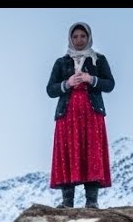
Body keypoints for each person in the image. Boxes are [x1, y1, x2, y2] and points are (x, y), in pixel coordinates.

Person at [46, 21, 115, 209]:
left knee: (91, 152)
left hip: (91, 114)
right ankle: (67, 201)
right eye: (75, 37)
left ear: (89, 38)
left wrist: (91, 79)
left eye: (82, 36)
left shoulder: (98, 60)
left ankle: (91, 201)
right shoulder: (61, 62)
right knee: (66, 154)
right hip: (67, 115)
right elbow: (50, 90)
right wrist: (66, 84)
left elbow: (110, 84)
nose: (79, 40)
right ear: (70, 38)